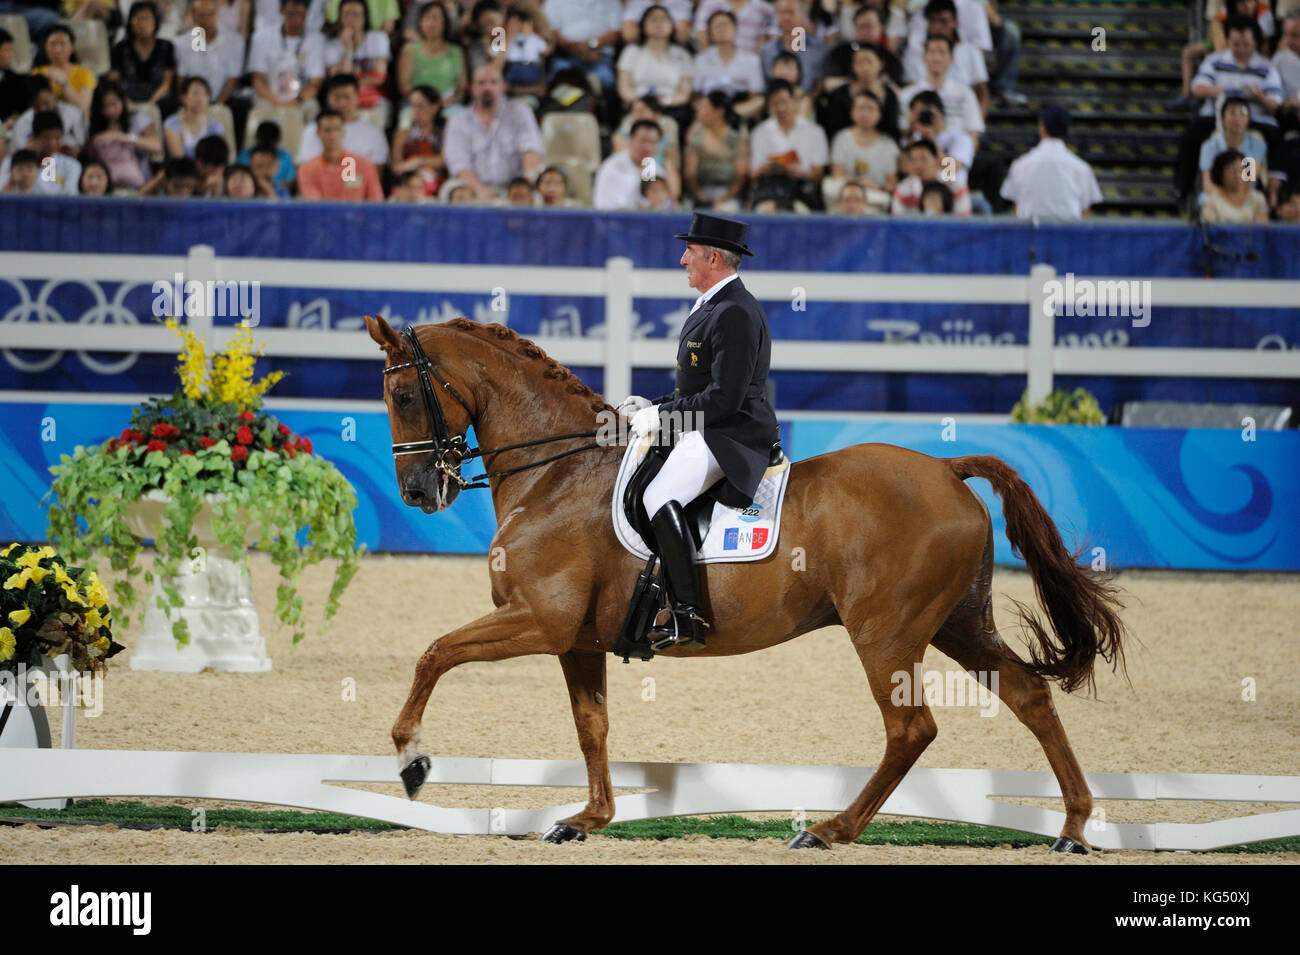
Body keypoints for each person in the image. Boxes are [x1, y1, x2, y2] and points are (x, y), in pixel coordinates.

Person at [619, 212, 778, 649]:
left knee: (657, 496)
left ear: (713, 257)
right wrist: (656, 407)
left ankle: (687, 614)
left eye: (689, 251)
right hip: (706, 425)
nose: (682, 258)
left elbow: (724, 400)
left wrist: (666, 419)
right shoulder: (712, 305)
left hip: (730, 435)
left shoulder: (735, 313)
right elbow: (699, 387)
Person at [442, 63, 543, 199]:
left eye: (493, 82)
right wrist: (480, 190)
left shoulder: (520, 112)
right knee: (456, 192)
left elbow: (531, 149)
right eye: (481, 83)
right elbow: (458, 163)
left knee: (535, 192)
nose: (487, 88)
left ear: (503, 87)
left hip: (515, 187)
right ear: (472, 88)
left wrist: (525, 184)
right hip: (473, 189)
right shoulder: (458, 121)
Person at [999, 105, 1101, 219]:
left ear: (1042, 127)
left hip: (1031, 234)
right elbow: (1084, 211)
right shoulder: (1082, 168)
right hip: (1066, 234)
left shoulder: (1020, 164)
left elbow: (1016, 206)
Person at [749, 78, 829, 209]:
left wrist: (801, 172)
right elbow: (753, 172)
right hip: (770, 186)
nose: (781, 108)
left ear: (794, 100)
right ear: (769, 105)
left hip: (801, 188)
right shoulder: (760, 132)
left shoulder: (815, 131)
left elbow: (818, 173)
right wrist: (769, 167)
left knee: (799, 211)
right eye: (775, 103)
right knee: (766, 209)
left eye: (784, 102)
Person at [174, 0, 248, 139]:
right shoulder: (182, 42)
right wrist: (190, 101)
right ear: (193, 16)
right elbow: (181, 79)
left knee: (242, 106)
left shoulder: (235, 41)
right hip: (193, 98)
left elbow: (232, 79)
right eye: (201, 15)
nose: (206, 20)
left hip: (222, 97)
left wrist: (217, 104)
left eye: (211, 15)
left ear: (217, 14)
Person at [902, 0, 987, 115]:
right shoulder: (915, 51)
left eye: (943, 21)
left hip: (959, 117)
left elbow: (982, 93)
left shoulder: (970, 51)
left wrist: (976, 126)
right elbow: (909, 90)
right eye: (933, 21)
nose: (937, 27)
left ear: (955, 22)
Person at [900, 33, 984, 149]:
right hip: (915, 157)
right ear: (924, 58)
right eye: (932, 52)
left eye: (942, 52)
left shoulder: (965, 94)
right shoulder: (906, 94)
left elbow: (973, 136)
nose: (937, 58)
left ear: (951, 58)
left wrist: (953, 160)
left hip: (950, 159)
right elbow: (901, 134)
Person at [828, 90, 900, 208]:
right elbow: (837, 173)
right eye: (861, 108)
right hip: (847, 194)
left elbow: (891, 182)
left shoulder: (888, 144)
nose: (865, 114)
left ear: (879, 114)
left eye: (870, 109)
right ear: (852, 112)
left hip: (874, 196)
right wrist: (858, 184)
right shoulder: (842, 138)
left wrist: (875, 187)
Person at [249, 0, 326, 109]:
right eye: (291, 14)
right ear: (281, 11)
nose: (297, 20)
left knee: (311, 107)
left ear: (307, 12)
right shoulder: (262, 37)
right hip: (270, 95)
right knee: (262, 108)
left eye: (301, 15)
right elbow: (258, 79)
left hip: (299, 97)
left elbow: (315, 83)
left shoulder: (316, 40)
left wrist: (298, 100)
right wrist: (276, 101)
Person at [296, 73, 388, 165]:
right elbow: (306, 169)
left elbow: (375, 173)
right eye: (337, 97)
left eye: (347, 97)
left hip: (357, 178)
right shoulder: (312, 130)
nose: (342, 103)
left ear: (357, 97)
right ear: (327, 98)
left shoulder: (374, 133)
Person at [617, 4, 693, 112]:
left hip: (671, 107)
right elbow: (624, 89)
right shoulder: (632, 51)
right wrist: (642, 103)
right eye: (653, 19)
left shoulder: (683, 55)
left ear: (672, 25)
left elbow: (685, 94)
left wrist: (664, 102)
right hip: (637, 107)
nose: (659, 24)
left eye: (663, 19)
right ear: (643, 26)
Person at [692, 9, 765, 119]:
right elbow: (696, 95)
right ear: (710, 33)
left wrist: (730, 113)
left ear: (735, 29)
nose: (722, 29)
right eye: (717, 26)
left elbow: (755, 96)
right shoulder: (701, 59)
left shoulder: (751, 60)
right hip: (710, 111)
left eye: (726, 24)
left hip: (739, 110)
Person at [296, 107, 384, 199]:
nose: (332, 135)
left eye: (337, 129)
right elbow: (314, 205)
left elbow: (376, 201)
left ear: (343, 132)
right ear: (318, 133)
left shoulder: (364, 165)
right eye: (327, 130)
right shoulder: (307, 169)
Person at [87, 80, 161, 190]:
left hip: (138, 184)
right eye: (105, 107)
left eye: (114, 104)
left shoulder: (138, 118)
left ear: (123, 101)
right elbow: (89, 155)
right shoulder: (96, 126)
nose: (111, 110)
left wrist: (124, 137)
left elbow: (157, 146)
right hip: (106, 187)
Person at [683, 89, 748, 210]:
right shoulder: (695, 139)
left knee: (727, 210)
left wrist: (723, 199)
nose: (699, 111)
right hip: (699, 194)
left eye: (704, 107)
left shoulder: (736, 139)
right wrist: (700, 198)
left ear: (719, 111)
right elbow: (690, 174)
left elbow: (740, 176)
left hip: (728, 195)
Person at [594, 117, 677, 209]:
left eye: (653, 142)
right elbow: (604, 209)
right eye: (643, 141)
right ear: (631, 139)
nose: (647, 148)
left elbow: (666, 206)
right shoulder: (611, 168)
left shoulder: (656, 170)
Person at [324, 0, 391, 113]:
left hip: (374, 96)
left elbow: (379, 77)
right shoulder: (331, 46)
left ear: (364, 18)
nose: (351, 19)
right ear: (340, 18)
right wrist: (348, 48)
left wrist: (350, 85)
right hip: (342, 98)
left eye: (356, 15)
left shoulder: (378, 38)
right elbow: (342, 80)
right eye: (346, 14)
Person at [110, 1, 177, 111]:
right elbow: (114, 79)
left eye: (146, 18)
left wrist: (151, 103)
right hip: (128, 98)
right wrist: (126, 101)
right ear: (130, 23)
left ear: (155, 21)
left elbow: (167, 83)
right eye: (137, 19)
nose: (142, 23)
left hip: (157, 98)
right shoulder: (120, 48)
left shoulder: (166, 46)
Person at [1199, 96, 1269, 198]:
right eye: (1232, 113)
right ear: (1222, 119)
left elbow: (1249, 180)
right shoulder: (1209, 146)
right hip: (1216, 195)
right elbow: (1207, 184)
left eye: (1242, 113)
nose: (1237, 118)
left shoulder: (1257, 144)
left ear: (1248, 119)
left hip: (1245, 195)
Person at [398, 2, 464, 106]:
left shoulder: (456, 51)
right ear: (420, 23)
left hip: (449, 106)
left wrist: (449, 101)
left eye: (435, 18)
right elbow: (405, 87)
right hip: (416, 105)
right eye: (426, 19)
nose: (430, 23)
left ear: (445, 22)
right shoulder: (409, 50)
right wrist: (424, 103)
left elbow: (462, 89)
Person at [0, 109, 80, 192]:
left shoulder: (72, 166)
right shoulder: (10, 162)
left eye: (57, 138)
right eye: (46, 138)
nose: (52, 144)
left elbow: (70, 197)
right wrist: (28, 159)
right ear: (34, 138)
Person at [390, 83, 445, 196]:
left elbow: (445, 160)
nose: (416, 111)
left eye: (420, 106)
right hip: (411, 181)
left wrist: (418, 161)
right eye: (412, 106)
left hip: (438, 181)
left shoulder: (443, 130)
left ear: (434, 107)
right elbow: (396, 167)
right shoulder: (403, 133)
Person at [760, 0, 827, 93]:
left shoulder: (818, 49)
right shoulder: (767, 51)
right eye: (782, 12)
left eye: (791, 12)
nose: (786, 18)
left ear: (804, 15)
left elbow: (821, 84)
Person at [891, 137, 971, 214]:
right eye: (913, 160)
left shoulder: (956, 187)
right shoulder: (902, 190)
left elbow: (963, 223)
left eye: (923, 159)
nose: (918, 165)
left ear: (937, 160)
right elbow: (897, 223)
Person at [31, 24, 95, 118]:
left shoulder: (85, 73)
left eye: (62, 44)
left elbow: (83, 108)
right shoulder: (37, 73)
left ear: (72, 47)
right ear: (45, 47)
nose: (57, 49)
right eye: (52, 44)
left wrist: (64, 83)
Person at [10, 75, 87, 151]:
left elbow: (82, 144)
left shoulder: (73, 114)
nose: (44, 108)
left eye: (46, 102)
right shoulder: (22, 123)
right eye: (38, 105)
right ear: (32, 105)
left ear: (52, 94)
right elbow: (17, 154)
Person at [1201, 148, 1268, 222]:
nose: (1237, 175)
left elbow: (1262, 227)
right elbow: (1209, 229)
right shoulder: (1212, 201)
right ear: (1221, 175)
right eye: (1231, 171)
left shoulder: (1258, 199)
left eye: (1240, 170)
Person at [164, 76, 224, 158]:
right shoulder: (171, 124)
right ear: (183, 97)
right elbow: (178, 158)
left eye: (205, 94)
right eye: (195, 93)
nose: (200, 99)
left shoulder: (215, 126)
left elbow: (215, 156)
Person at [693, 0, 777, 54]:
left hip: (750, 65)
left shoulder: (764, 8)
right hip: (717, 64)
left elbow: (768, 40)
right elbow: (702, 37)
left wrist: (753, 63)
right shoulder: (709, 4)